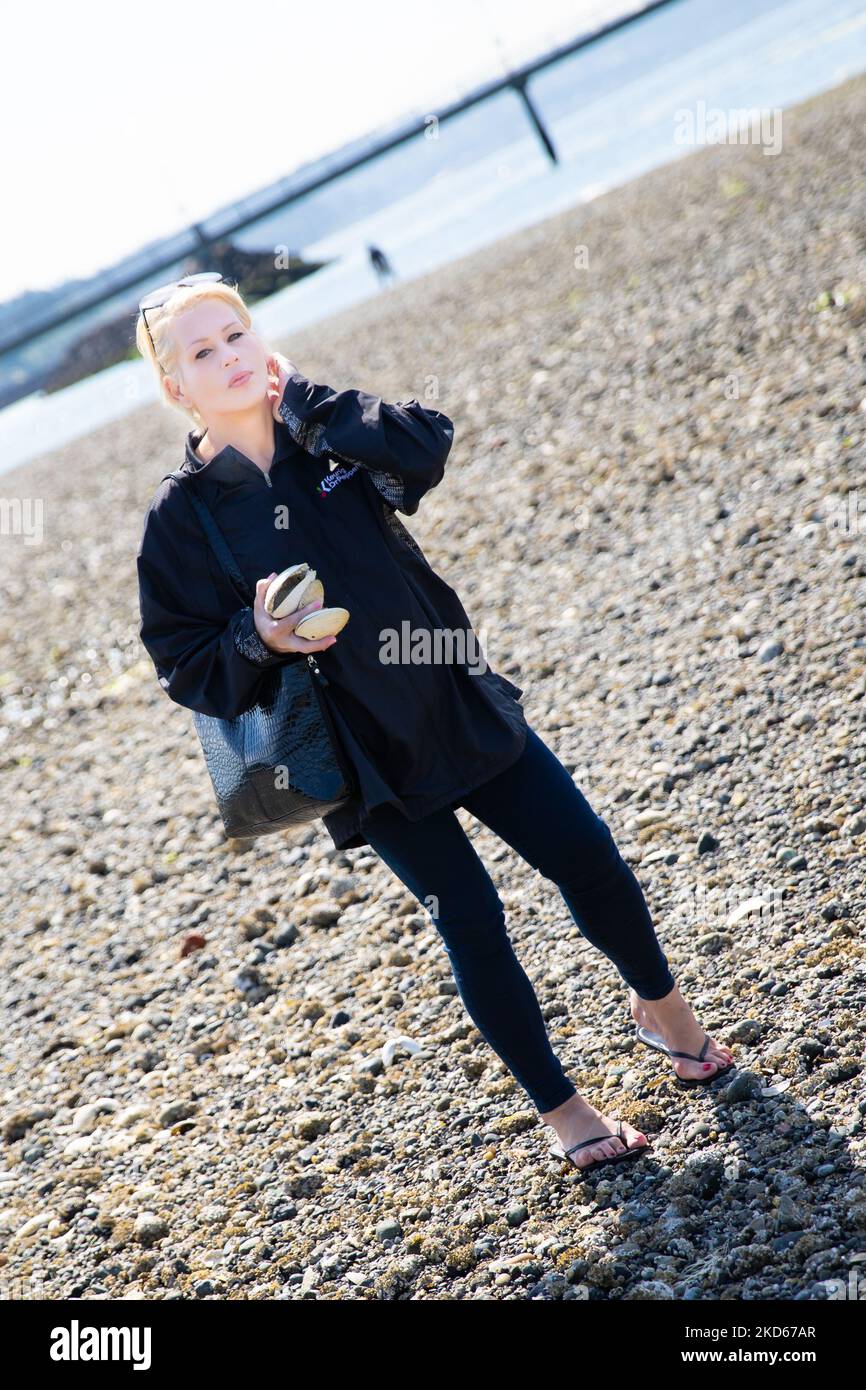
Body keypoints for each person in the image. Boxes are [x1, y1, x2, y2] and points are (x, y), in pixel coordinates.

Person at [134, 276, 735, 1174]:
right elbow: (182, 661)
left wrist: (305, 398)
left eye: (238, 336)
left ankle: (668, 1016)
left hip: (449, 692)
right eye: (202, 352)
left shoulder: (325, 434)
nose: (229, 359)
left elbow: (426, 445)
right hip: (362, 756)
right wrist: (253, 637)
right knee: (473, 920)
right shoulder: (180, 520)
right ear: (176, 386)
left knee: (586, 851)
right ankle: (565, 1113)